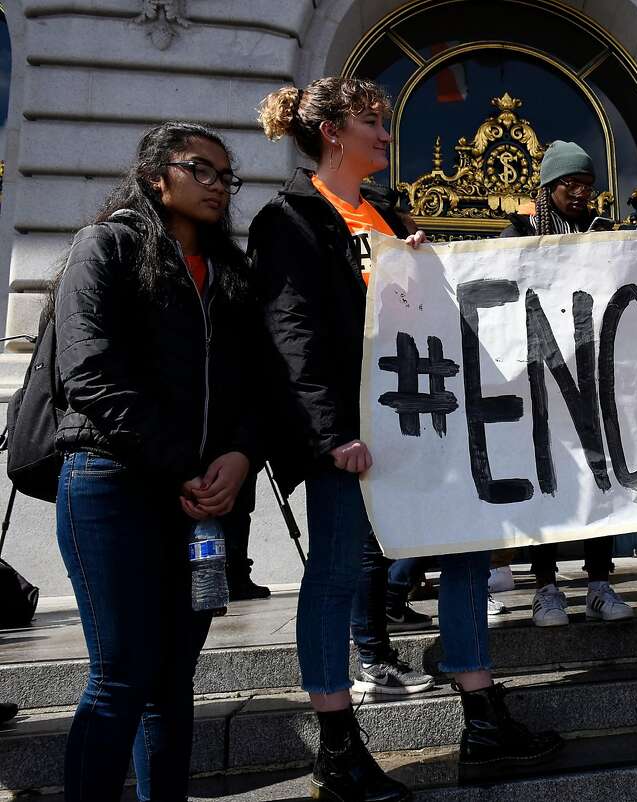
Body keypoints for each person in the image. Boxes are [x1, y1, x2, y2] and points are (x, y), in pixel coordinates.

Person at [254, 78, 561, 795]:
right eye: (374, 124)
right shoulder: (292, 217)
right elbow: (290, 332)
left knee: (464, 549)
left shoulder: (386, 216)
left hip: (423, 420)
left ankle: (483, 716)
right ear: (332, 131)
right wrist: (328, 431)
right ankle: (336, 742)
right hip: (352, 433)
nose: (388, 138)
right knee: (333, 576)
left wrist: (421, 269)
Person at [51, 122, 258, 802]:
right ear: (154, 174)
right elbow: (89, 374)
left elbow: (255, 386)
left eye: (228, 177)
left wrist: (240, 454)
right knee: (122, 674)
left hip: (200, 500)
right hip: (113, 483)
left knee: (171, 681)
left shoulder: (230, 272)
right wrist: (182, 466)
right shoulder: (105, 246)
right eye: (204, 169)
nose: (219, 186)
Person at [497, 140, 635, 626]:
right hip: (542, 381)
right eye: (569, 184)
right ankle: (546, 586)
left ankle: (599, 582)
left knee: (601, 480)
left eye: (587, 185)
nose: (580, 193)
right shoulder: (517, 232)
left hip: (595, 379)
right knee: (549, 485)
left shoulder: (603, 233)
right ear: (547, 187)